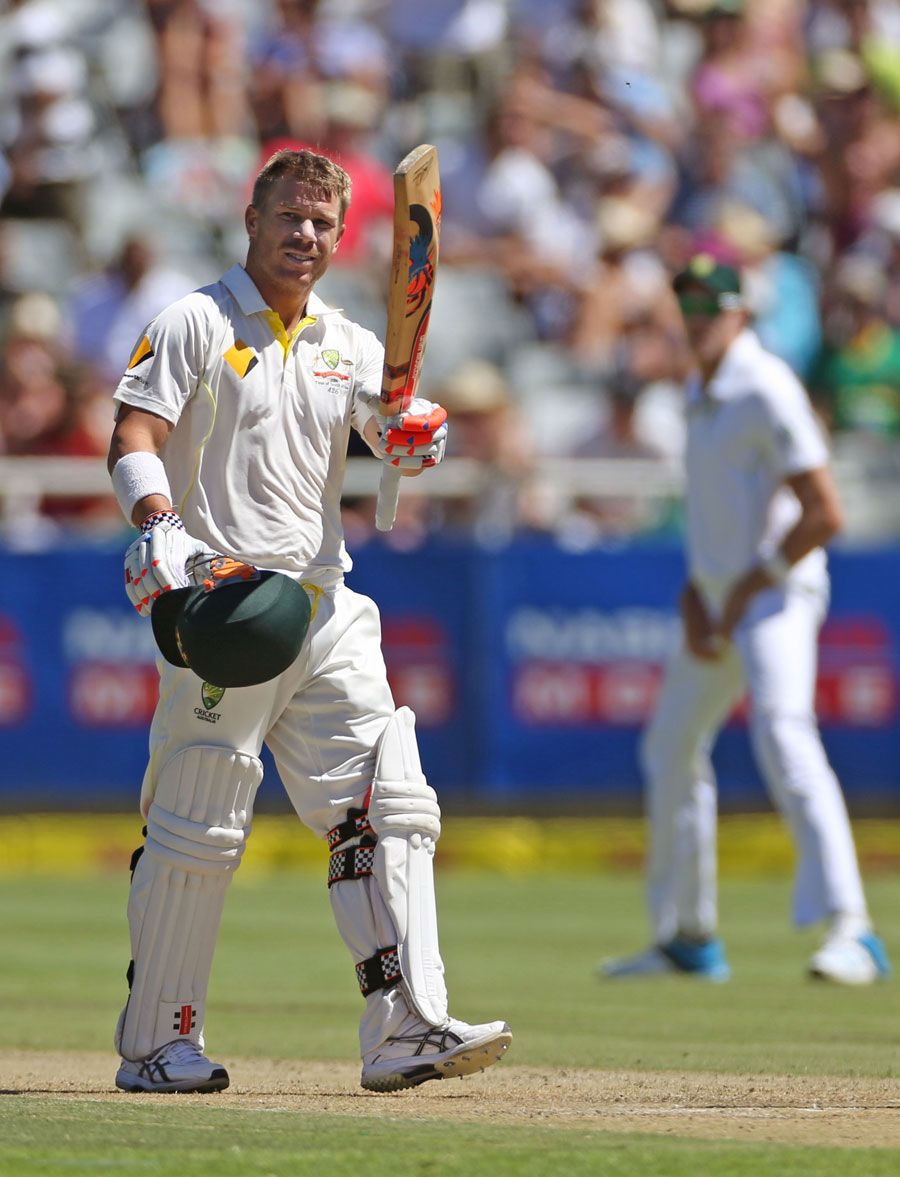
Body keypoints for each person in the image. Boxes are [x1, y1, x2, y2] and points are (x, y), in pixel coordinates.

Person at [106, 148, 512, 1094]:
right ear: (252, 219)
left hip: (328, 605)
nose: (306, 235)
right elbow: (133, 433)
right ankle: (160, 1042)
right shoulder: (194, 321)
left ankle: (406, 1022)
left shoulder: (350, 340)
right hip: (231, 603)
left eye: (324, 223)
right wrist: (160, 524)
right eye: (290, 216)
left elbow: (395, 428)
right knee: (200, 823)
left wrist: (419, 436)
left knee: (390, 804)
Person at [602, 254, 891, 986]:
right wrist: (702, 591)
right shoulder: (702, 384)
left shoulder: (765, 385)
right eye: (688, 308)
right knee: (670, 745)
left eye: (712, 309)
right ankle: (690, 938)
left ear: (742, 314)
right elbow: (719, 515)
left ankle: (853, 930)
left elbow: (826, 512)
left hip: (778, 592)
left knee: (785, 734)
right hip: (723, 599)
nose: (697, 322)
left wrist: (747, 586)